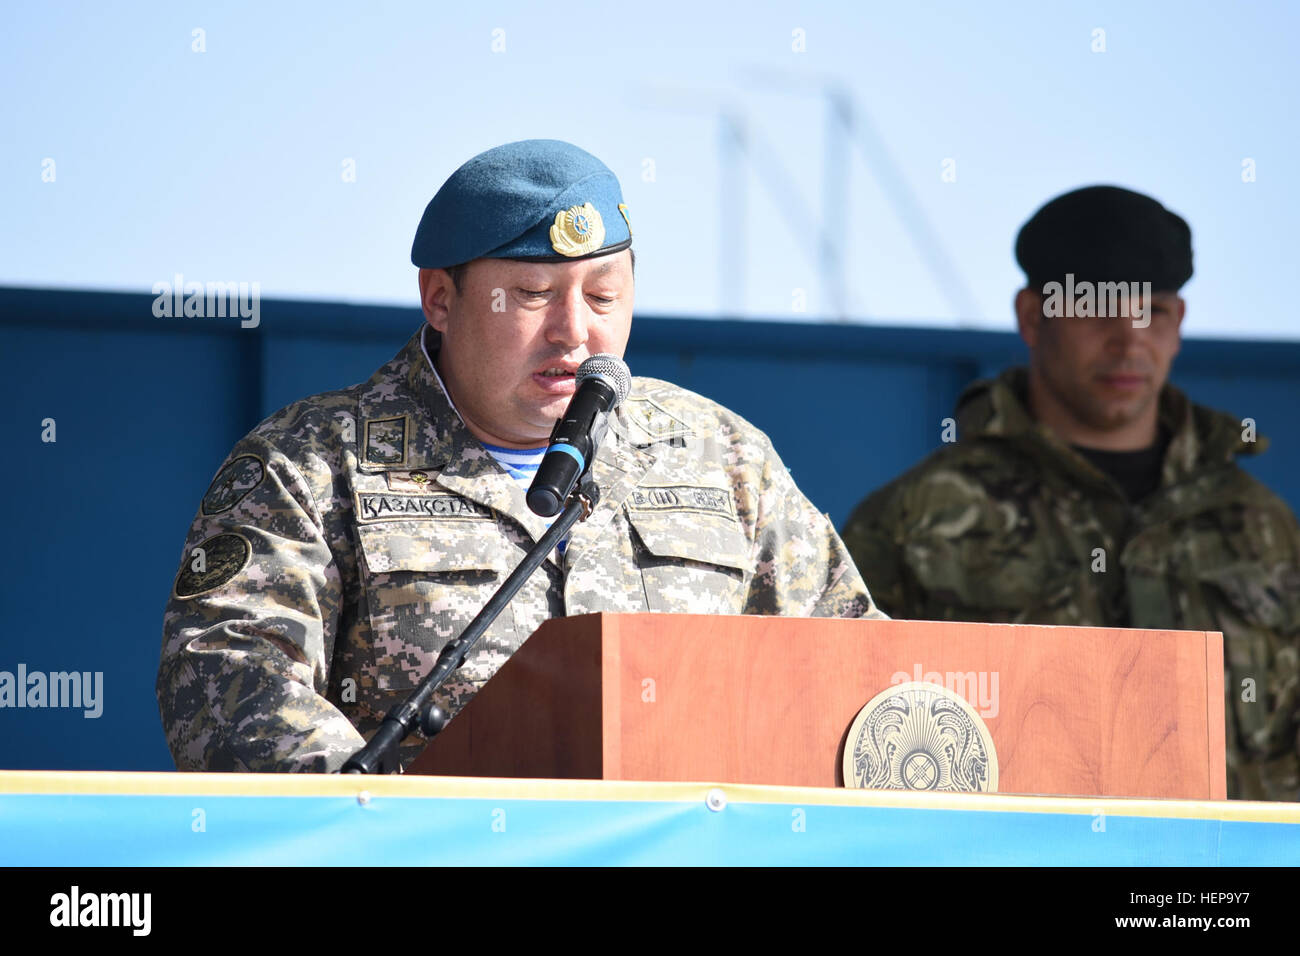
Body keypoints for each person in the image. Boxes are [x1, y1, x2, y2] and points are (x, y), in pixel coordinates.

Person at [157, 139, 884, 773]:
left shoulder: (722, 458)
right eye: (533, 295)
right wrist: (393, 823)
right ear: (441, 299)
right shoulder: (311, 465)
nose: (575, 333)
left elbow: (851, 667)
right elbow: (228, 680)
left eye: (604, 297)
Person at [842, 185, 1300, 801]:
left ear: (1179, 325)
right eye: (1098, 311)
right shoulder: (915, 522)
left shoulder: (1261, 527)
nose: (1129, 340)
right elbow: (846, 744)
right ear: (1033, 317)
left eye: (1153, 312)